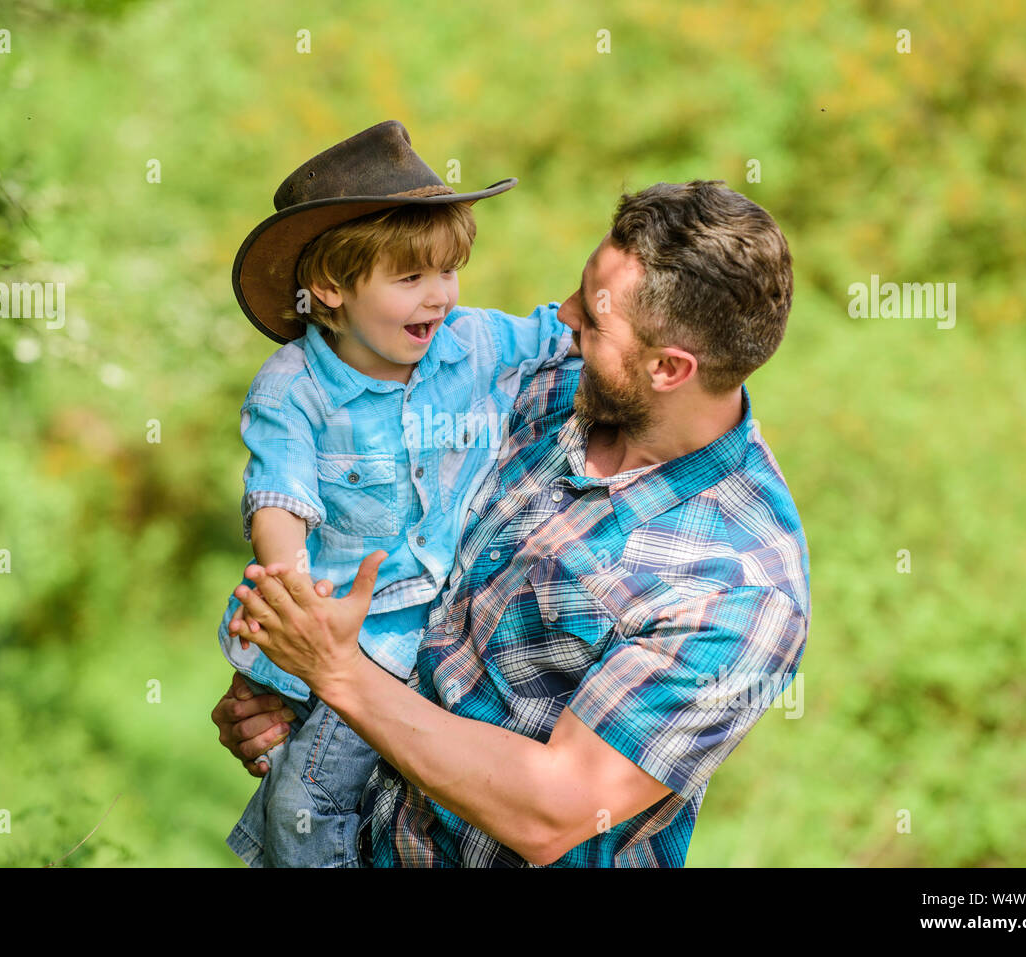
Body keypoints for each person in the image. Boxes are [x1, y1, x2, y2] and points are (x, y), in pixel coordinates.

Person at [215, 180, 811, 867]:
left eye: (592, 315)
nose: (562, 316)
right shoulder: (544, 384)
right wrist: (283, 687)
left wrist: (336, 673)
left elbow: (552, 808)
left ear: (670, 368)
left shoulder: (737, 589)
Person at [220, 120, 577, 867]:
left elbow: (559, 330)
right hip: (353, 634)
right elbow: (279, 498)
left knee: (304, 795)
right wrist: (293, 593)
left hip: (436, 631)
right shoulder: (295, 386)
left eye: (448, 271)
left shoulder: (473, 342)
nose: (439, 296)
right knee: (304, 795)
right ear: (330, 287)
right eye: (410, 278)